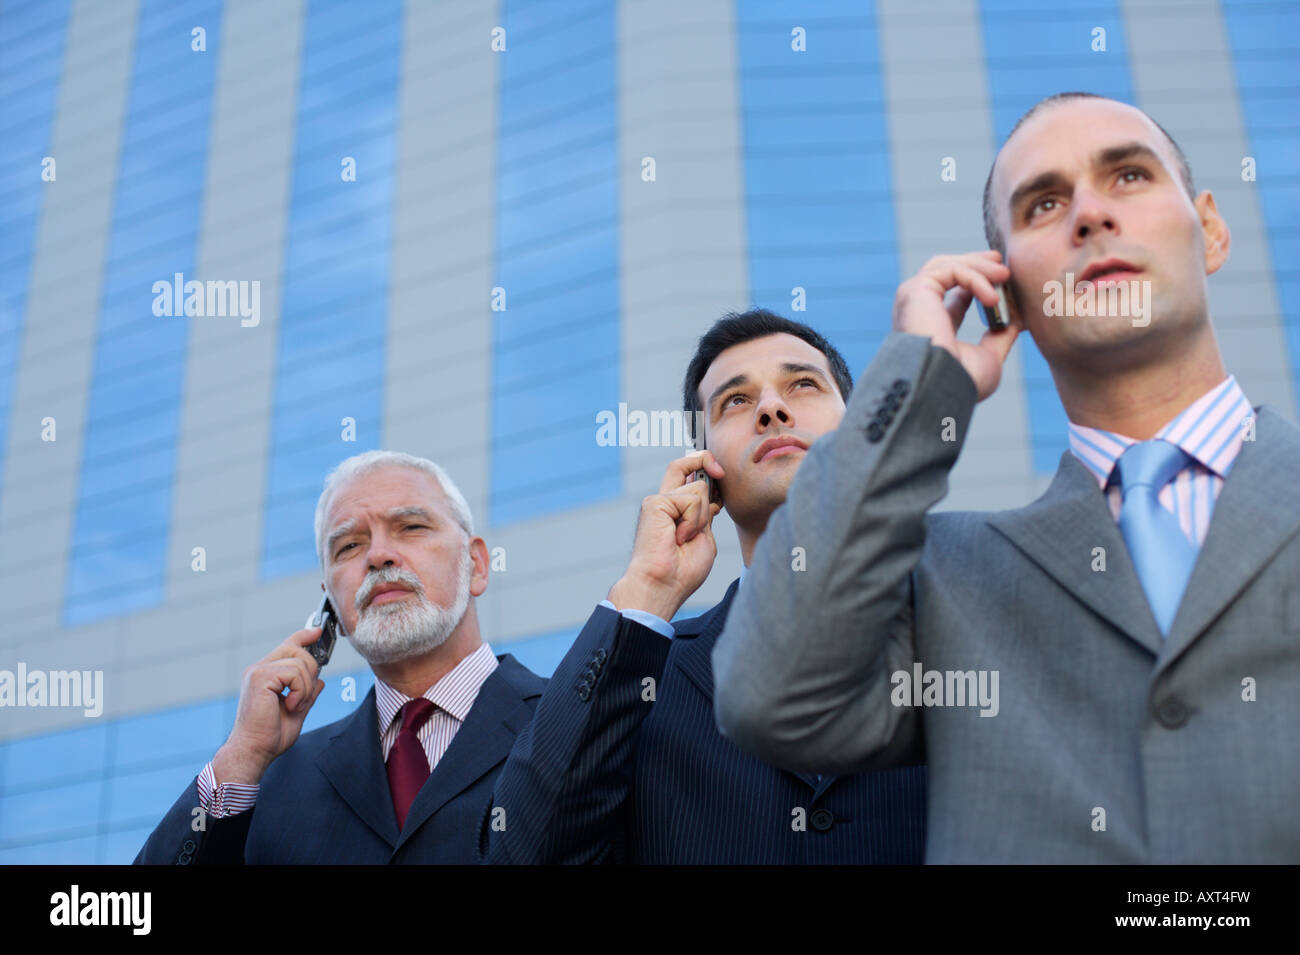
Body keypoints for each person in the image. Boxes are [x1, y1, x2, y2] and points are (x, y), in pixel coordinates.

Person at [713, 92, 1300, 863]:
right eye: (1044, 204)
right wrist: (922, 385)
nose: (1089, 214)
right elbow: (769, 692)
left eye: (1128, 176)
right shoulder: (950, 579)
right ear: (1008, 288)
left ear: (1212, 229)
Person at [482, 310, 926, 864]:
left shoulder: (980, 623)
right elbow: (526, 852)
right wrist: (646, 591)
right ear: (704, 470)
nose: (771, 408)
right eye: (735, 401)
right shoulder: (644, 675)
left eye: (803, 384)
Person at [136, 451, 545, 864]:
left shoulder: (574, 723)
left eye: (411, 527)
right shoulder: (271, 778)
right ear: (330, 604)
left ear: (475, 565)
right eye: (349, 545)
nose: (379, 556)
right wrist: (242, 756)